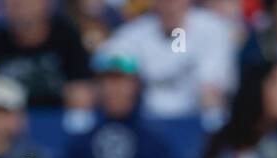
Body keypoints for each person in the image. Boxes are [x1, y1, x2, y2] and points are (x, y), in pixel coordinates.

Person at [60, 53, 180, 158]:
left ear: (136, 86)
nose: (114, 89)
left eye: (122, 81)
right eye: (107, 82)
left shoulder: (155, 140)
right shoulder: (81, 140)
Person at [100, 0, 238, 120]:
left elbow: (212, 88)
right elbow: (106, 61)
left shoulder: (212, 28)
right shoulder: (134, 33)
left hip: (195, 121)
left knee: (213, 105)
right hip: (146, 123)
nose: (169, 6)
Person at [0, 0, 92, 109]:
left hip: (56, 114)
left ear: (45, 4)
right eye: (12, 3)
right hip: (10, 119)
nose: (19, 6)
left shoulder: (65, 33)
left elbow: (81, 84)